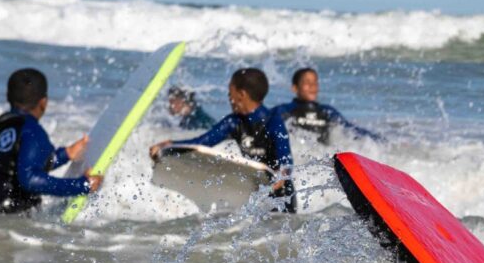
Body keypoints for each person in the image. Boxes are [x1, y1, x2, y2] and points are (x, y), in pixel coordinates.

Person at [149, 68, 295, 211]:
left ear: (241, 94)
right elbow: (202, 142)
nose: (228, 96)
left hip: (281, 194)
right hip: (255, 191)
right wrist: (170, 145)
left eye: (230, 91)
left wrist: (281, 176)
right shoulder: (234, 122)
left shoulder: (273, 121)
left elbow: (286, 158)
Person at [0, 68, 100, 216]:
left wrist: (65, 154)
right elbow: (30, 179)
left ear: (8, 97)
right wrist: (82, 185)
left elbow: (16, 165)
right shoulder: (31, 130)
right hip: (8, 218)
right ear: (43, 102)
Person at [272, 67, 381, 147]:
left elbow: (348, 129)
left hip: (321, 156)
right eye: (307, 82)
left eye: (315, 82)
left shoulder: (327, 111)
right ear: (295, 88)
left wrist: (376, 139)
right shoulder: (285, 110)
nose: (312, 86)